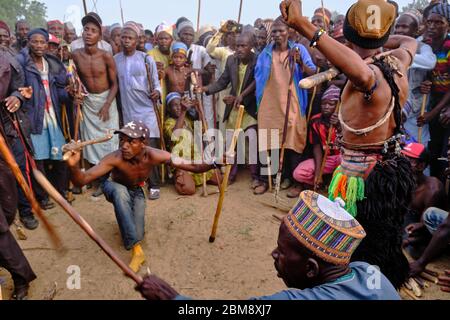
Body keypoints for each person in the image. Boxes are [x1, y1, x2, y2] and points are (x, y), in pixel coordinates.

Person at [280, 0, 417, 289]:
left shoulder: (371, 76)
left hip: (366, 178)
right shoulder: (400, 59)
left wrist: (304, 26)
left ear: (350, 37)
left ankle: (365, 291)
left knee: (363, 245)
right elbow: (406, 40)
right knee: (383, 237)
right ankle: (385, 286)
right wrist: (374, 43)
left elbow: (364, 74)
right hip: (388, 167)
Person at [135, 191, 400, 300]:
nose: (273, 254)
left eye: (282, 251)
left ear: (310, 269)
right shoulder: (368, 271)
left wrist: (172, 297)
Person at [65, 121, 217, 273]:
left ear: (144, 143)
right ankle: (137, 252)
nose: (124, 146)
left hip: (137, 190)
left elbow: (194, 167)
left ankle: (128, 226)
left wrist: (216, 163)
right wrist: (73, 165)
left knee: (136, 234)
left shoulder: (155, 155)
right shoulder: (115, 158)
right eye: (122, 140)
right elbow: (82, 180)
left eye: (131, 141)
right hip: (112, 186)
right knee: (120, 194)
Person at [256, 17, 316, 196]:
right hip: (269, 103)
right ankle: (267, 180)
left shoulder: (299, 50)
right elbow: (258, 76)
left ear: (289, 32)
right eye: (274, 31)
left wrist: (299, 61)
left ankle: (296, 182)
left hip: (293, 102)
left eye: (281, 30)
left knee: (293, 141)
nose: (277, 34)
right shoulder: (265, 53)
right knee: (269, 141)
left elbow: (312, 72)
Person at [17, 28, 72, 213]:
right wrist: (22, 95)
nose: (39, 45)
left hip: (52, 115)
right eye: (35, 42)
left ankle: (60, 191)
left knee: (60, 156)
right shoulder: (24, 64)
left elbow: (57, 91)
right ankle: (43, 196)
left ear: (47, 45)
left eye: (42, 42)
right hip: (35, 118)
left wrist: (70, 94)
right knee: (38, 160)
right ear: (29, 43)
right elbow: (18, 90)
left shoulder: (50, 64)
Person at [200, 33, 262, 192]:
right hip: (234, 107)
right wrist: (206, 89)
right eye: (237, 46)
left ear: (251, 46)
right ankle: (231, 175)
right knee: (231, 143)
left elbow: (258, 81)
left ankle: (256, 177)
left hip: (250, 108)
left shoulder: (258, 60)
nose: (239, 49)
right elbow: (222, 81)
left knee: (252, 139)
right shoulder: (231, 60)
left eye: (244, 46)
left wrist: (241, 96)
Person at [0, 49, 37, 301]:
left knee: (2, 217)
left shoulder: (6, 61)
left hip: (4, 141)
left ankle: (20, 274)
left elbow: (22, 89)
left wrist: (16, 96)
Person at [72, 12, 120, 197]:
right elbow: (73, 80)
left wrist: (107, 105)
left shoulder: (106, 56)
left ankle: (108, 179)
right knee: (90, 142)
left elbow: (115, 84)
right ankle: (96, 179)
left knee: (108, 140)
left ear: (100, 35)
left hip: (107, 100)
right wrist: (75, 93)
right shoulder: (75, 55)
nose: (88, 33)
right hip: (89, 103)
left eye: (93, 30)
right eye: (86, 29)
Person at [114, 21, 162, 201]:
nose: (126, 40)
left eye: (130, 38)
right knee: (131, 148)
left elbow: (156, 84)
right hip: (128, 111)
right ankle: (135, 182)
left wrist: (157, 92)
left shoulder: (145, 58)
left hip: (147, 110)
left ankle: (154, 184)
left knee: (150, 147)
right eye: (123, 37)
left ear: (136, 40)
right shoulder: (115, 59)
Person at [394, 11, 436, 146]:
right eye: (398, 26)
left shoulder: (423, 47)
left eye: (404, 26)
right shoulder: (388, 47)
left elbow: (430, 62)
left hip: (415, 114)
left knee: (417, 153)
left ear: (415, 30)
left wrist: (401, 57)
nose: (399, 30)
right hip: (393, 111)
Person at [164, 93, 219, 195]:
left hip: (197, 161)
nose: (178, 108)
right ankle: (179, 176)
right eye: (174, 105)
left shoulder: (188, 120)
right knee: (188, 190)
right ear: (168, 108)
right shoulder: (168, 122)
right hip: (183, 164)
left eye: (180, 105)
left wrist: (199, 110)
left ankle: (194, 178)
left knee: (219, 179)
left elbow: (202, 131)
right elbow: (175, 135)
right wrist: (184, 111)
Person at [292, 85, 341, 196]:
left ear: (338, 106)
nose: (326, 107)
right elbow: (317, 147)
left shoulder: (346, 119)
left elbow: (350, 143)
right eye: (324, 103)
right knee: (298, 173)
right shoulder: (316, 121)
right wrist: (318, 174)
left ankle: (336, 188)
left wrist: (339, 126)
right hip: (326, 159)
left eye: (331, 104)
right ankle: (320, 184)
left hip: (342, 159)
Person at [420, 3, 450, 179]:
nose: (432, 26)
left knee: (444, 151)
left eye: (438, 22)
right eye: (429, 22)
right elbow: (429, 75)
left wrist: (433, 112)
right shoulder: (426, 45)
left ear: (448, 24)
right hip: (435, 97)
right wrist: (426, 84)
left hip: (445, 101)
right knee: (434, 148)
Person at [178, 19, 215, 129]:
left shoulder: (200, 50)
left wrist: (193, 70)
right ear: (179, 34)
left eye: (191, 35)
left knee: (203, 122)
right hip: (181, 93)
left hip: (198, 92)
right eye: (185, 34)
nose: (188, 37)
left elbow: (209, 71)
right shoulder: (174, 49)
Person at [402, 143, 447, 230]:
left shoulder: (432, 191)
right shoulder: (404, 181)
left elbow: (425, 229)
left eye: (409, 160)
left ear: (421, 166)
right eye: (403, 158)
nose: (403, 163)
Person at [206, 20, 241, 127]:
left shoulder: (249, 51)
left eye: (235, 35)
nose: (232, 37)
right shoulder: (224, 51)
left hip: (240, 92)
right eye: (229, 35)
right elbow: (209, 49)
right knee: (223, 122)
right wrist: (220, 31)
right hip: (225, 91)